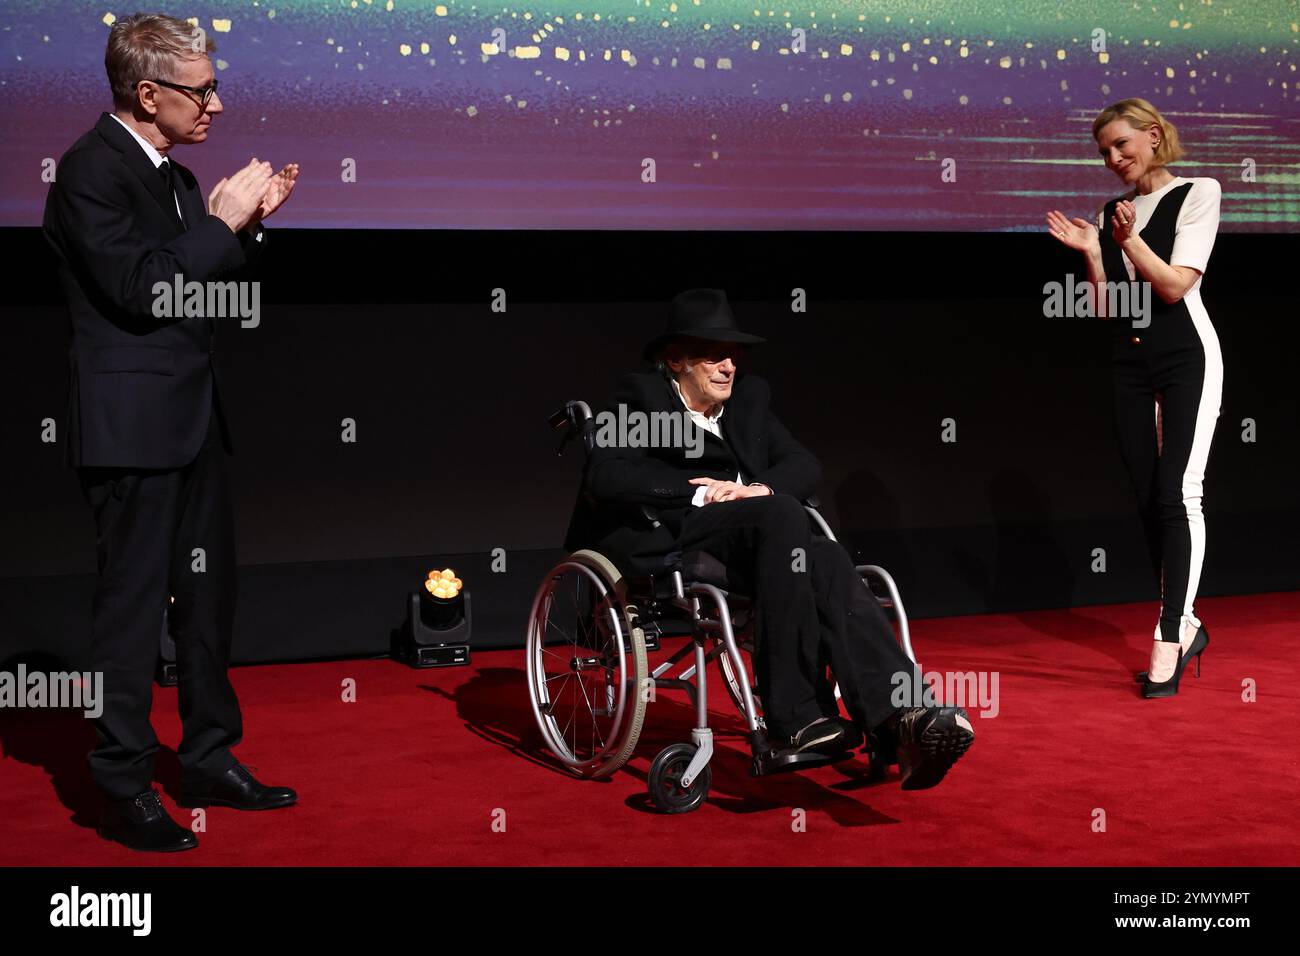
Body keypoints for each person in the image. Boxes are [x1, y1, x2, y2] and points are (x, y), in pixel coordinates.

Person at [42, 12, 300, 851]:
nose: (216, 106)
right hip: (131, 432)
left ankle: (207, 758)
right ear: (147, 93)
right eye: (203, 90)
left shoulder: (180, 181)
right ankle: (119, 782)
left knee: (207, 603)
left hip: (195, 422)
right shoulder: (89, 171)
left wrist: (246, 225)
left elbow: (200, 297)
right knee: (131, 612)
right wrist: (221, 228)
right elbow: (144, 291)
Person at [573, 289, 975, 790]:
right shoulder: (639, 399)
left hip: (760, 538)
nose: (728, 367)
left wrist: (756, 489)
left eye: (733, 356)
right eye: (713, 354)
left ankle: (904, 718)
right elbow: (605, 478)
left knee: (825, 557)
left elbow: (804, 464)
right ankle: (793, 716)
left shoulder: (749, 400)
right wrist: (700, 494)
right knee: (784, 517)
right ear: (676, 359)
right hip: (677, 532)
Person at [1046, 98, 1222, 698]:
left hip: (1186, 357)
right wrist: (1096, 253)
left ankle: (1171, 629)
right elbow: (1111, 308)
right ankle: (1185, 620)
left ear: (1153, 136)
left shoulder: (1200, 191)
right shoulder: (1112, 212)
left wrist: (1130, 240)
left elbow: (1173, 287)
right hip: (1130, 361)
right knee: (1149, 495)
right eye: (1103, 152)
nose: (1113, 159)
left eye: (1121, 145)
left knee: (1179, 491)